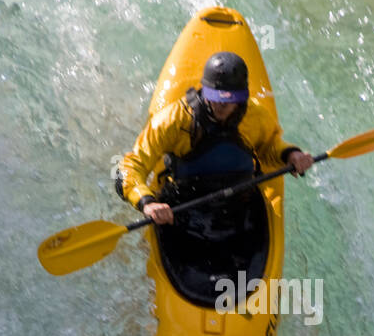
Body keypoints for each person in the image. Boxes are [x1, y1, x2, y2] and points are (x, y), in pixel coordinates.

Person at [115, 51, 313, 224]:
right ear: (205, 91)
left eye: (229, 100)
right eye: (216, 97)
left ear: (242, 98)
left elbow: (269, 149)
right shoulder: (172, 121)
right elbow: (130, 168)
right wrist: (147, 202)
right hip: (183, 208)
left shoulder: (256, 117)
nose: (221, 105)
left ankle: (241, 271)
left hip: (238, 206)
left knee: (241, 269)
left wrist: (290, 155)